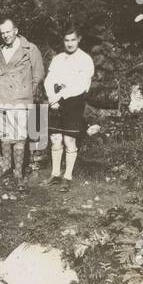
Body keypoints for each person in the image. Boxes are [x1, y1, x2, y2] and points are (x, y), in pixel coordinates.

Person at [0, 17, 45, 183]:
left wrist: (28, 95)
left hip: (20, 99)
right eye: (2, 33)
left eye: (8, 32)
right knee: (4, 134)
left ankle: (18, 172)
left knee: (19, 136)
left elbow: (38, 74)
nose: (5, 35)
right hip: (0, 98)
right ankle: (6, 167)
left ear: (16, 31)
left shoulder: (30, 48)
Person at [44, 28, 95, 188]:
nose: (70, 43)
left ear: (78, 39)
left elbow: (80, 86)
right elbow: (49, 80)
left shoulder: (85, 59)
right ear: (63, 41)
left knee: (69, 139)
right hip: (55, 102)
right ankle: (55, 174)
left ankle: (67, 177)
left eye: (73, 40)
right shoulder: (58, 58)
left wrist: (60, 96)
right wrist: (52, 98)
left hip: (73, 102)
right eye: (67, 40)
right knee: (55, 138)